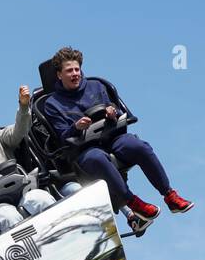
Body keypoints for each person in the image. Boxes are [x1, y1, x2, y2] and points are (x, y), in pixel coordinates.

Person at [42, 46, 194, 231]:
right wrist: (76, 127)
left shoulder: (96, 86)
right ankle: (134, 204)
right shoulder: (52, 104)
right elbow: (62, 136)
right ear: (59, 75)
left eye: (77, 69)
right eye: (69, 71)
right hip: (84, 150)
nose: (75, 74)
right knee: (97, 157)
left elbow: (120, 111)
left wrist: (113, 113)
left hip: (112, 137)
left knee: (138, 146)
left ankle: (170, 196)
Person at [0, 88, 82, 233]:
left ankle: (67, 233)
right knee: (9, 217)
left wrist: (24, 106)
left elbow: (20, 131)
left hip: (22, 191)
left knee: (41, 199)